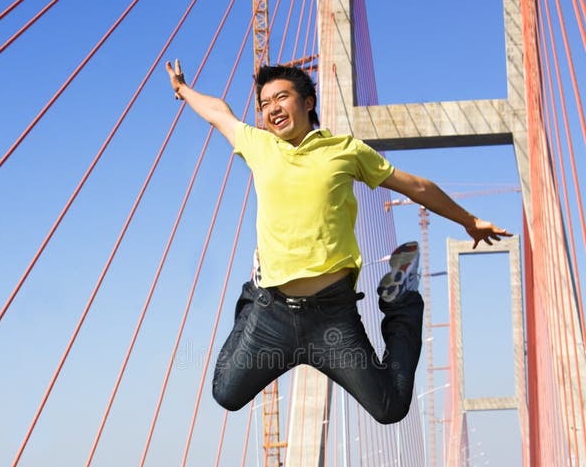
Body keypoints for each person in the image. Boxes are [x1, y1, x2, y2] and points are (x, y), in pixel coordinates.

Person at [165, 60, 510, 424]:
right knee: (225, 393)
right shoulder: (259, 145)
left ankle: (401, 298)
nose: (272, 108)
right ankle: (255, 289)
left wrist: (469, 221)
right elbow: (218, 113)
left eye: (281, 97)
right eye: (264, 104)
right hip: (273, 313)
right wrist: (183, 90)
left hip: (331, 317)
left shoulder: (345, 150)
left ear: (308, 102)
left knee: (390, 407)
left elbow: (416, 186)